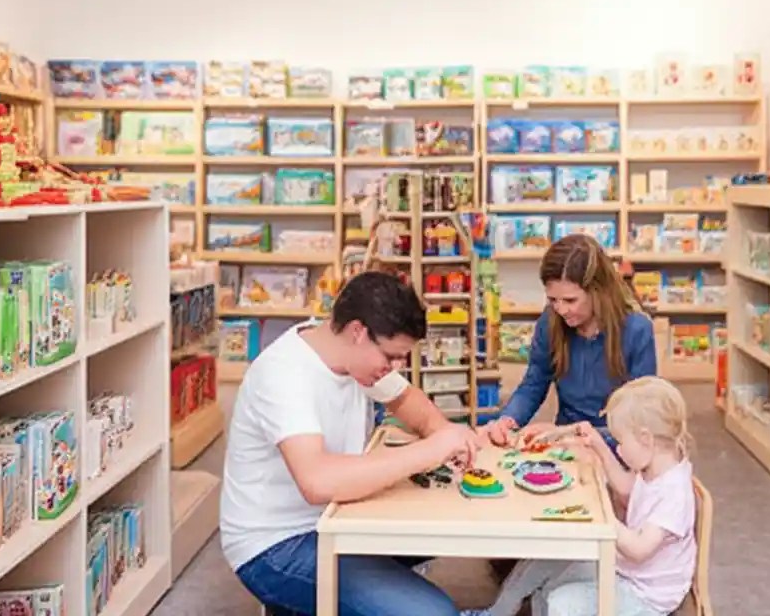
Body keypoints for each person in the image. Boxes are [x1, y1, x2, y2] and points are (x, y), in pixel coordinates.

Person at [221, 271, 480, 616]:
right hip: (276, 545)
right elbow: (318, 481)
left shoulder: (347, 356)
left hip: (338, 516)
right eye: (390, 357)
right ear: (358, 332)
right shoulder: (285, 374)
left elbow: (407, 401)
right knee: (434, 613)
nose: (395, 368)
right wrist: (431, 450)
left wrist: (445, 434)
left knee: (443, 526)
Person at [462, 378, 698, 616]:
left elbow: (638, 549)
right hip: (627, 571)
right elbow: (627, 488)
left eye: (621, 441)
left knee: (560, 602)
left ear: (646, 439)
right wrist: (597, 443)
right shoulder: (655, 467)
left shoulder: (674, 492)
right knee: (546, 559)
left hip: (645, 596)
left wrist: (602, 518)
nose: (618, 448)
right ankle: (495, 613)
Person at [481, 234, 657, 449]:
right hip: (565, 448)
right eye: (553, 300)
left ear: (598, 291)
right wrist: (508, 420)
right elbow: (534, 383)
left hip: (620, 449)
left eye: (570, 300)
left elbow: (641, 421)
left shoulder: (637, 330)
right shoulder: (550, 322)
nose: (561, 310)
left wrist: (569, 434)